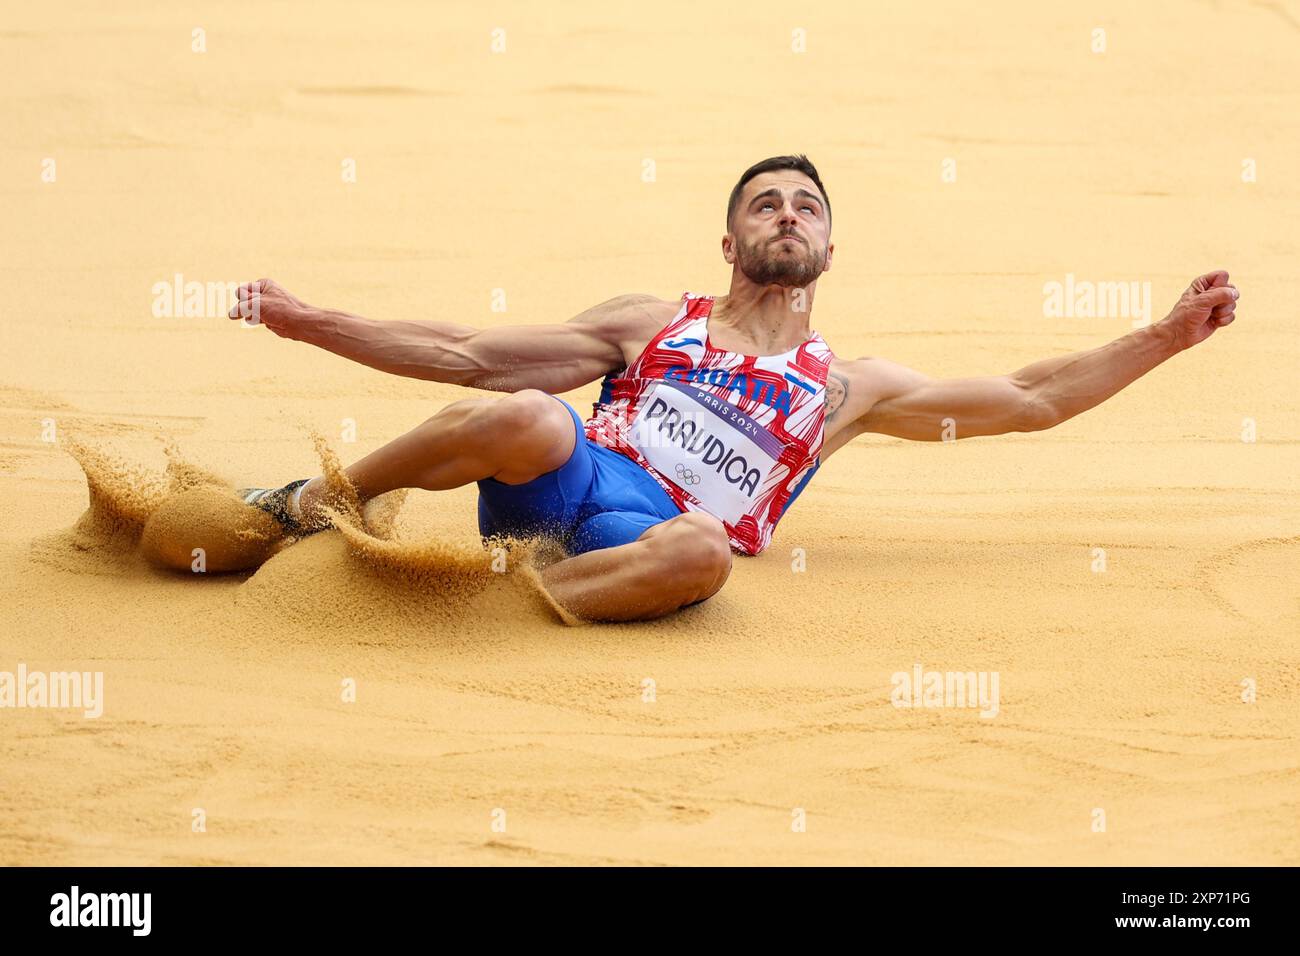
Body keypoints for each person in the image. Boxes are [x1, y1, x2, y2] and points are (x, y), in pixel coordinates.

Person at [230, 154, 1240, 622]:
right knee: (534, 413)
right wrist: (310, 319)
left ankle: (516, 610)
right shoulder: (647, 321)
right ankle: (313, 503)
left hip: (645, 543)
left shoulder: (847, 388)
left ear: (830, 247)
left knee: (707, 552)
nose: (787, 215)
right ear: (729, 240)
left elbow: (1032, 396)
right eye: (765, 204)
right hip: (560, 479)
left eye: (806, 206)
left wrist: (1162, 335)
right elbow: (465, 356)